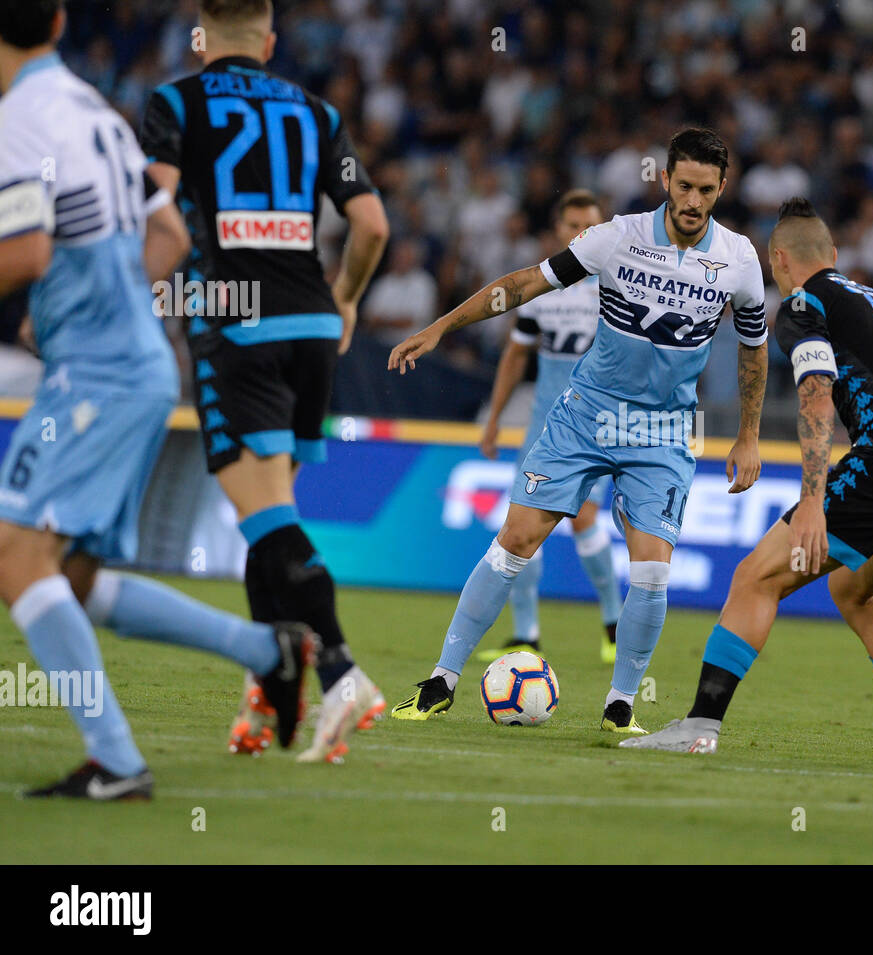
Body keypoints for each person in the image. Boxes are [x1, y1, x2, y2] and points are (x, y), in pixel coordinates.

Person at [0, 0, 313, 799]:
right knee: (68, 577)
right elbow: (168, 237)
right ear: (61, 23)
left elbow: (27, 249)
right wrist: (112, 307)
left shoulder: (19, 120)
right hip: (137, 358)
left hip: (96, 373)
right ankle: (265, 648)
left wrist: (80, 315)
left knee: (15, 557)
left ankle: (118, 760)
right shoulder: (92, 111)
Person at [387, 128, 769, 733]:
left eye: (707, 189)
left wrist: (748, 434)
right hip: (586, 413)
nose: (694, 201)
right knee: (515, 540)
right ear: (664, 179)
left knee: (650, 570)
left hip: (664, 429)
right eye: (685, 185)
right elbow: (521, 285)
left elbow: (753, 350)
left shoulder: (742, 260)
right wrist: (442, 327)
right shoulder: (614, 239)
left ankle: (620, 704)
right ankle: (441, 680)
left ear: (723, 189)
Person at [622, 198, 873, 762]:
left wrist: (812, 502)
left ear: (777, 261)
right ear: (833, 254)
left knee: (756, 578)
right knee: (854, 590)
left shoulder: (803, 304)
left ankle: (700, 724)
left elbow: (816, 392)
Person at [140, 0, 390, 763]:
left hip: (233, 321)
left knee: (268, 522)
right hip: (313, 324)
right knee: (269, 516)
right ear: (271, 41)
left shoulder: (174, 102)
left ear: (201, 37)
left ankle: (343, 671)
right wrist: (345, 300)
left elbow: (160, 218)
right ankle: (268, 699)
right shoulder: (315, 110)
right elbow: (373, 225)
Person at [476, 190, 623, 664]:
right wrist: (495, 418)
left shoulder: (615, 285)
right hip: (543, 424)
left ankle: (612, 623)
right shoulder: (542, 286)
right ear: (558, 231)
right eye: (571, 225)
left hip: (597, 422)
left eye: (589, 225)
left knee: (583, 518)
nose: (580, 233)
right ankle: (527, 634)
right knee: (521, 519)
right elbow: (517, 354)